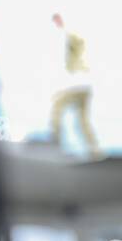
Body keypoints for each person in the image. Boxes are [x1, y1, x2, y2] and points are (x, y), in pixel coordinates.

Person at [47, 13, 98, 155]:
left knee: (56, 110)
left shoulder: (70, 35)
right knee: (82, 121)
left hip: (78, 85)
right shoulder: (69, 36)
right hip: (84, 85)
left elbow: (77, 42)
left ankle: (55, 145)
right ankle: (94, 151)